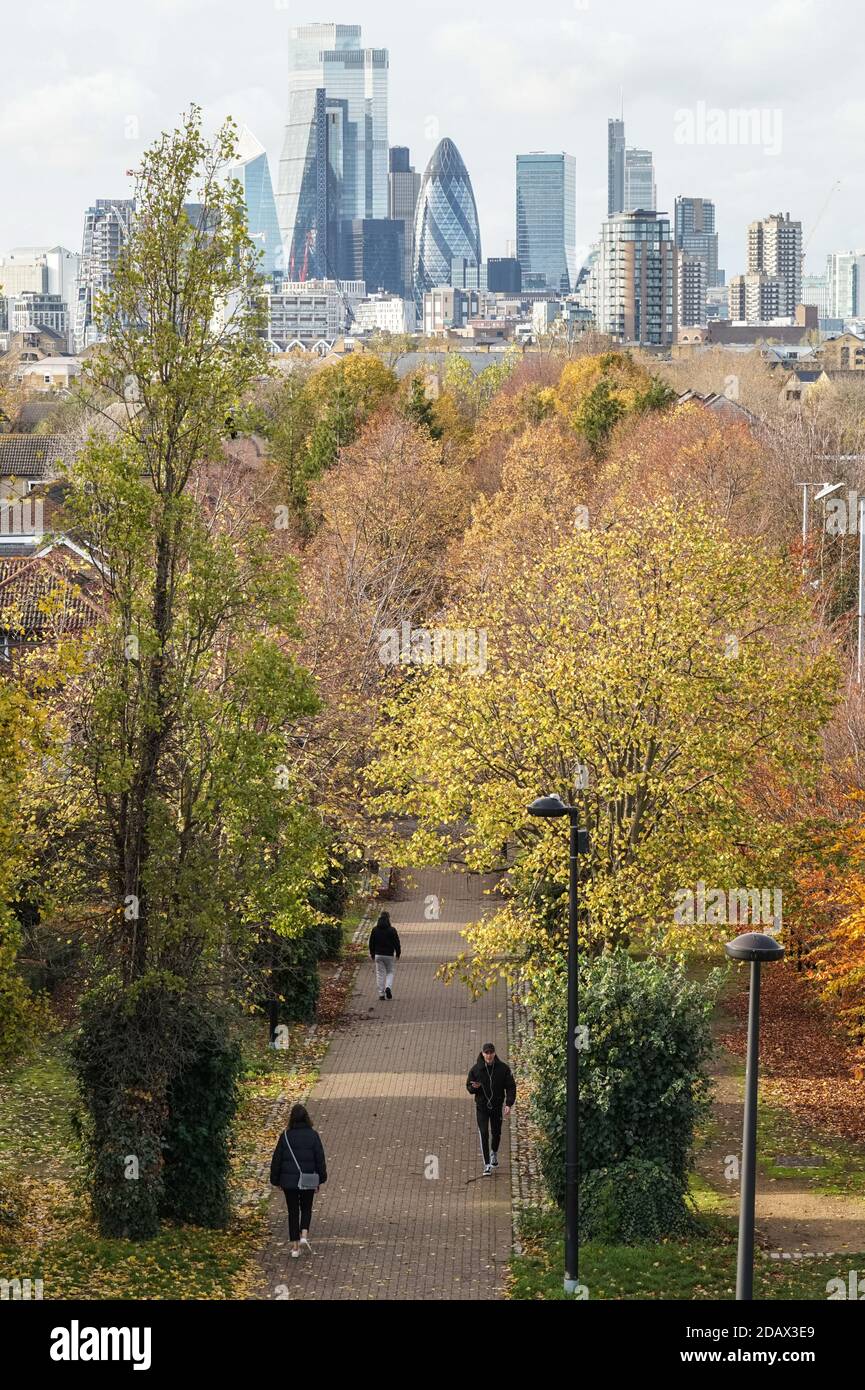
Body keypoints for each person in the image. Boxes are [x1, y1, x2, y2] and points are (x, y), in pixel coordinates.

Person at [270, 1103, 327, 1258]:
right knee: (306, 1208)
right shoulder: (313, 1135)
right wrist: (320, 1179)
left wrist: (276, 1180)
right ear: (307, 1118)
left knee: (293, 1211)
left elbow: (277, 1160)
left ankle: (295, 1247)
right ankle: (304, 1235)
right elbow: (319, 1158)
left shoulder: (286, 1136)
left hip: (289, 1182)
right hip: (308, 1179)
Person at [466, 1042, 517, 1176]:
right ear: (482, 1054)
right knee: (484, 1133)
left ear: (494, 1053)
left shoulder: (503, 1069)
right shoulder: (476, 1070)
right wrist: (474, 1088)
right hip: (482, 1107)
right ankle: (487, 1164)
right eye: (486, 1053)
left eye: (491, 1053)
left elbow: (511, 1086)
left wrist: (508, 1104)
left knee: (496, 1132)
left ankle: (494, 1152)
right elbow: (469, 1087)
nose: (489, 1055)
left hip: (496, 1106)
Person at [368, 909, 401, 1001]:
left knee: (380, 974)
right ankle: (388, 987)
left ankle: (381, 994)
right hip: (389, 955)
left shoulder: (375, 930)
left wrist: (372, 953)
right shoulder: (392, 930)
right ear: (388, 919)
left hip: (378, 955)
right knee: (390, 972)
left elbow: (371, 943)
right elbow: (396, 943)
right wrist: (398, 953)